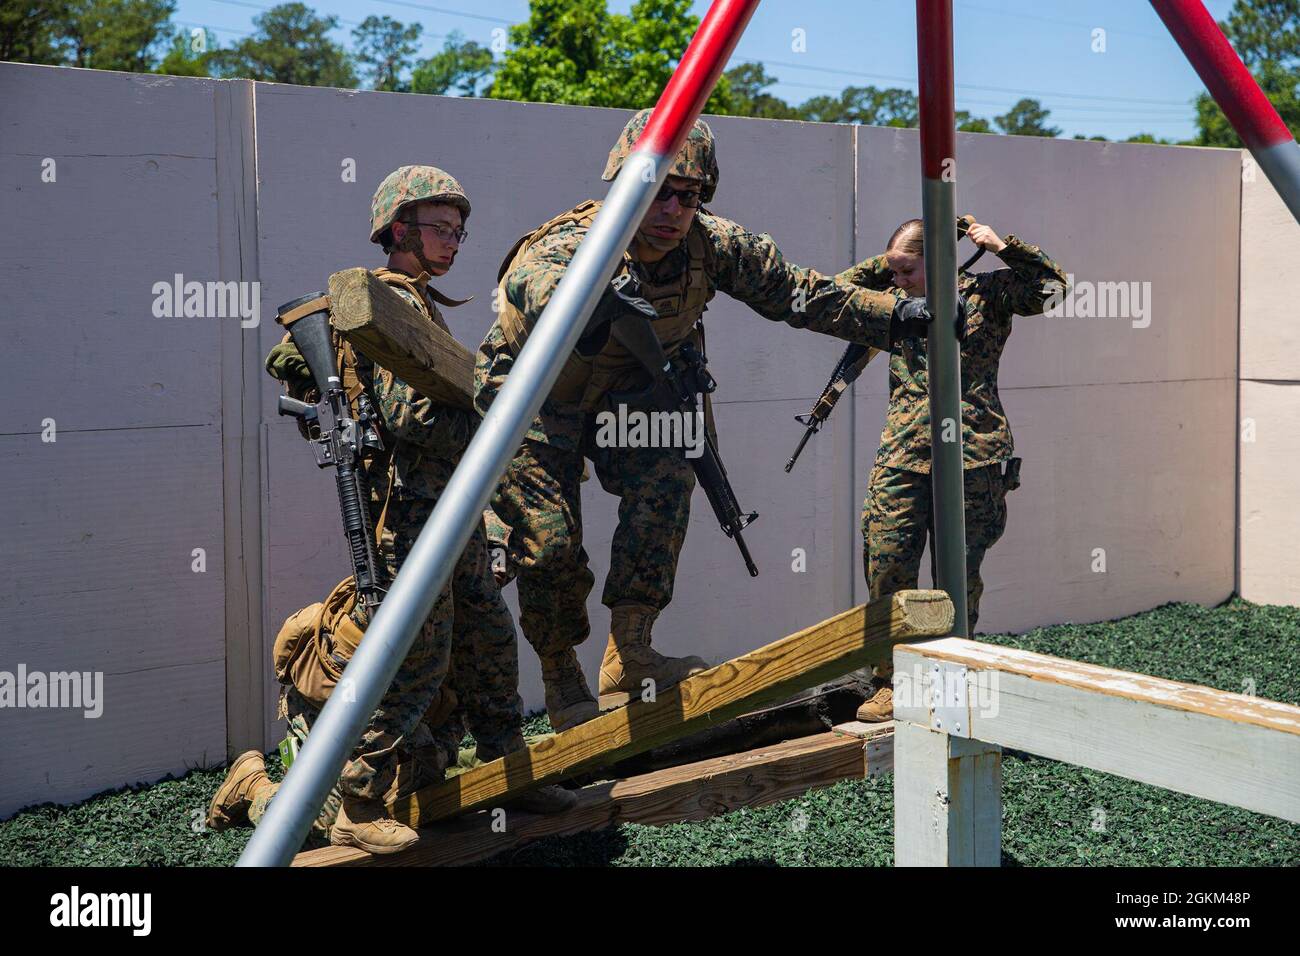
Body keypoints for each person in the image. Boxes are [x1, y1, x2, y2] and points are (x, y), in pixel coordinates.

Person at [476, 109, 928, 731]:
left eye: (688, 197)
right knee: (550, 545)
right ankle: (561, 675)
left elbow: (798, 293)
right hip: (535, 401)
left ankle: (628, 651)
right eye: (659, 192)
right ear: (626, 186)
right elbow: (533, 282)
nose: (673, 210)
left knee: (667, 476)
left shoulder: (711, 244)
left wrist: (895, 316)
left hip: (625, 399)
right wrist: (595, 296)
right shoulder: (578, 240)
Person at [207, 166, 573, 854]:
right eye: (440, 227)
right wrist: (497, 404)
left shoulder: (416, 304)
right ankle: (358, 798)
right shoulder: (382, 305)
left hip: (445, 509)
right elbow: (415, 419)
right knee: (416, 658)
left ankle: (509, 768)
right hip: (407, 516)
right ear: (397, 228)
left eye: (460, 231)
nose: (454, 242)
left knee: (489, 636)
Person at [839, 216, 1067, 720]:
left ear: (939, 262)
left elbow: (1052, 290)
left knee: (958, 575)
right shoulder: (893, 301)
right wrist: (891, 265)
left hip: (973, 454)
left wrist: (1004, 246)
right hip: (903, 455)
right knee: (887, 565)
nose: (898, 280)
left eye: (909, 270)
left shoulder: (989, 292)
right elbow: (836, 294)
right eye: (893, 271)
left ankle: (952, 676)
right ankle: (891, 681)